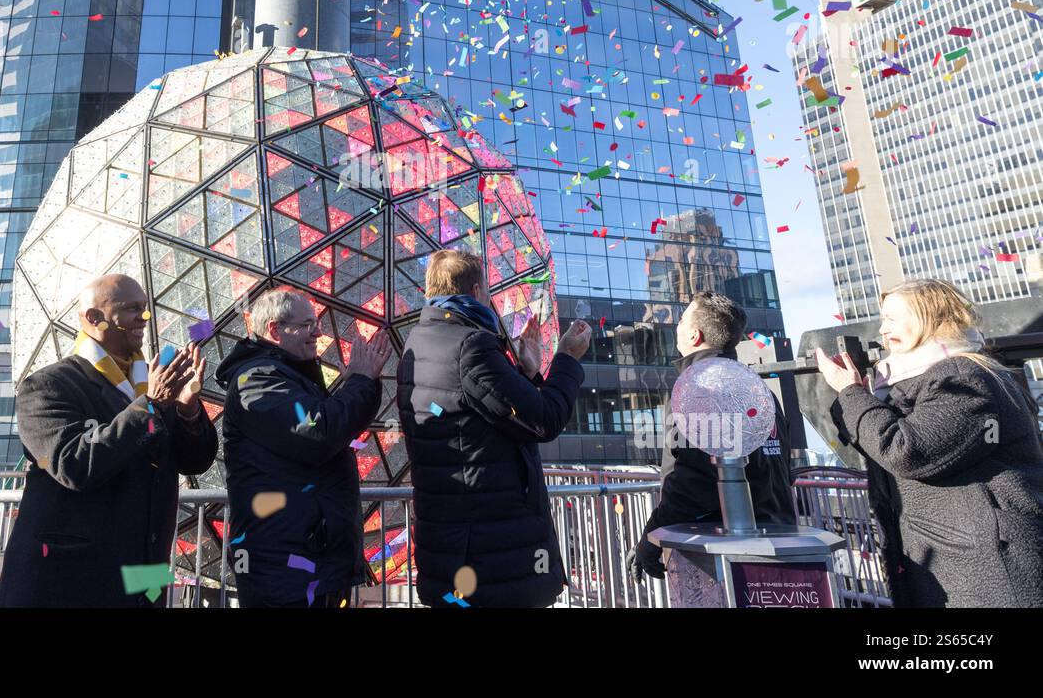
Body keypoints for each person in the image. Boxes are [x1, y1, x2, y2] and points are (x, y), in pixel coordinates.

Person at [816, 278, 1043, 607]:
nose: (882, 329)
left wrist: (851, 393)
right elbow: (876, 444)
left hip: (987, 565)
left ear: (928, 317)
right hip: (952, 559)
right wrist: (856, 397)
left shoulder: (963, 375)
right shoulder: (919, 379)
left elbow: (907, 451)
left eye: (892, 318)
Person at [0, 274, 218, 608]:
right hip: (71, 584)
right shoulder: (48, 386)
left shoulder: (148, 385)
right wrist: (152, 405)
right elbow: (74, 465)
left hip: (143, 579)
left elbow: (193, 461)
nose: (145, 318)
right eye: (132, 310)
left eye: (145, 309)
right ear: (94, 318)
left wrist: (186, 410)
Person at [397, 249, 592, 608]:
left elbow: (481, 417)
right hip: (491, 559)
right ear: (477, 291)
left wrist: (528, 373)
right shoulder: (470, 346)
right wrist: (566, 358)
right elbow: (543, 420)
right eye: (488, 290)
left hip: (458, 549)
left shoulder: (423, 342)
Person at [217, 287, 392, 608]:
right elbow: (319, 433)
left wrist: (359, 382)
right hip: (286, 571)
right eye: (309, 324)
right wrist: (360, 381)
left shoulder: (282, 377)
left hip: (307, 563)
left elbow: (330, 428)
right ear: (274, 330)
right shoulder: (257, 381)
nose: (320, 332)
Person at [630, 291, 796, 582]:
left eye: (681, 319)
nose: (676, 325)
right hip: (779, 539)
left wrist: (651, 538)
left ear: (694, 335)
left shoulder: (697, 390)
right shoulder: (759, 389)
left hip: (722, 553)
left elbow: (693, 482)